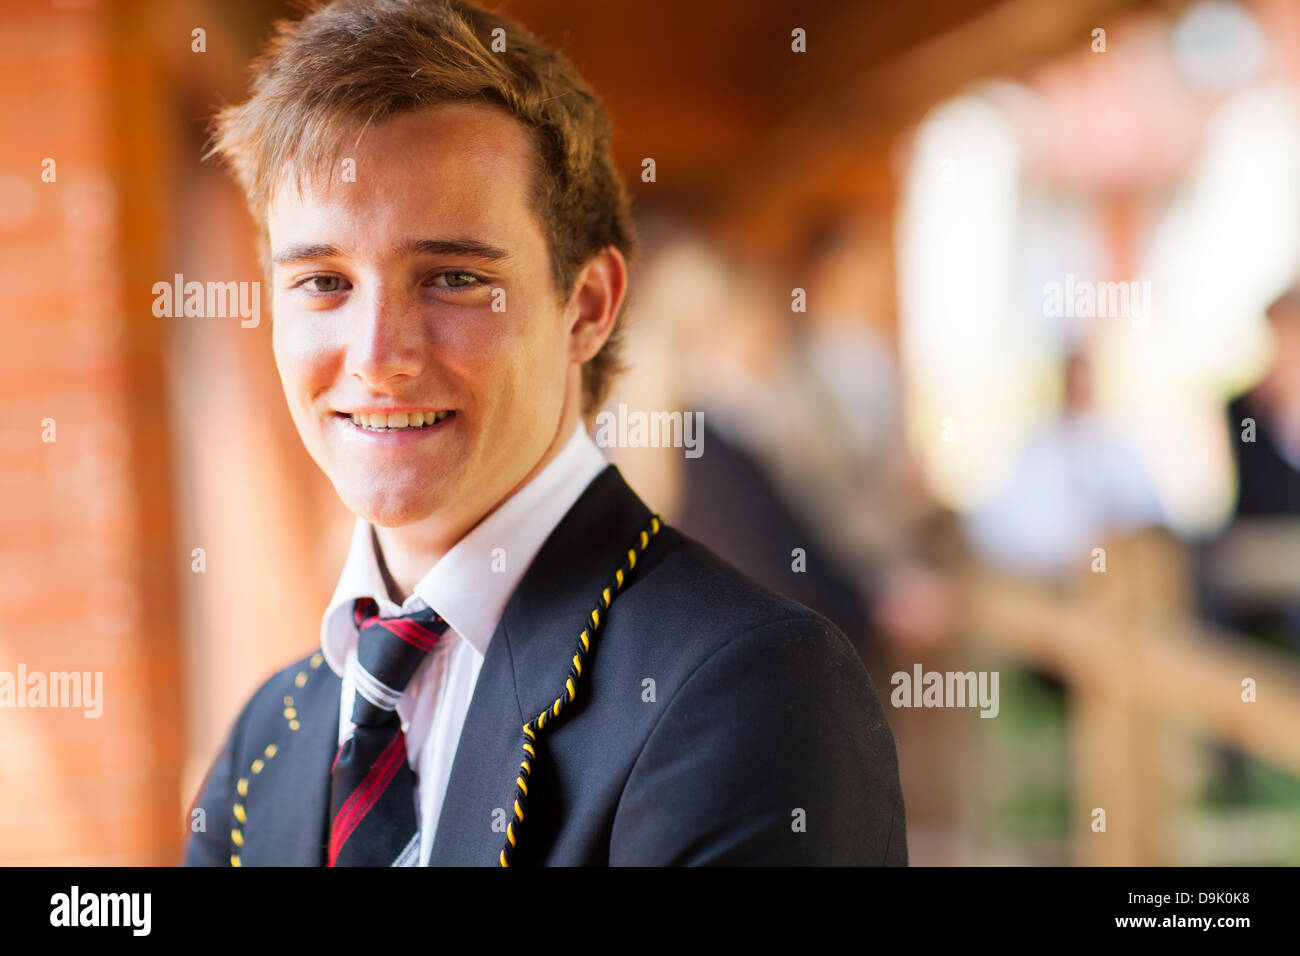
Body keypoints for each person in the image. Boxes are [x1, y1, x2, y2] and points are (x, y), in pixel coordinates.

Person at [181, 0, 905, 867]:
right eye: (324, 282)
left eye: (451, 277)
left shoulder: (754, 690)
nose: (377, 358)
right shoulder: (264, 742)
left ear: (586, 307)